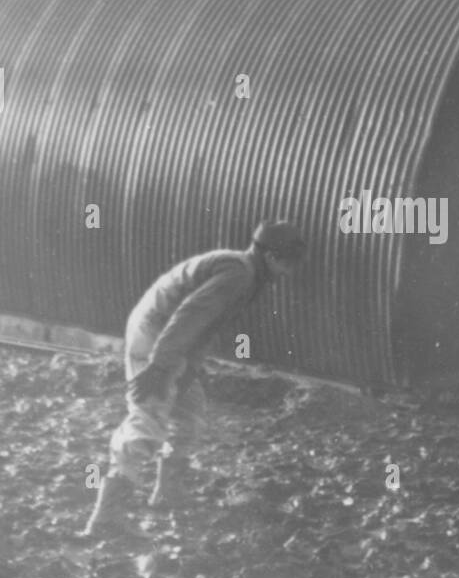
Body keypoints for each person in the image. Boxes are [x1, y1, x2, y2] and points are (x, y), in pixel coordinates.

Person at [80, 219, 306, 537]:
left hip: (169, 342)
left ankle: (167, 493)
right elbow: (189, 316)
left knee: (189, 413)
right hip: (157, 337)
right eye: (287, 264)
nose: (287, 274)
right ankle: (105, 519)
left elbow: (203, 329)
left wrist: (188, 369)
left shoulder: (245, 273)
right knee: (149, 419)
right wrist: (160, 368)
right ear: (271, 256)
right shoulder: (239, 274)